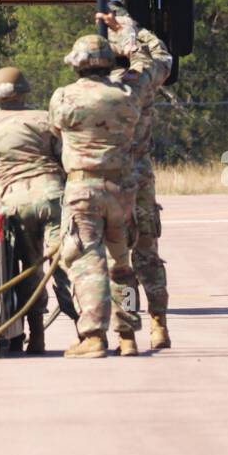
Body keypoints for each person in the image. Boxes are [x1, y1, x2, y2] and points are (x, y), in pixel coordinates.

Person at [49, 25, 171, 358]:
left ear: (77, 64)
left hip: (83, 188)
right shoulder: (128, 94)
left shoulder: (63, 97)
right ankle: (128, 335)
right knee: (122, 264)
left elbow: (55, 128)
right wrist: (131, 36)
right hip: (123, 189)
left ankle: (93, 336)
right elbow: (151, 65)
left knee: (88, 261)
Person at [0, 67, 65, 355]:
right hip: (55, 197)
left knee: (29, 270)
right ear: (25, 92)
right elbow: (66, 157)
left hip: (17, 205)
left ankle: (36, 337)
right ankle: (87, 331)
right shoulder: (45, 120)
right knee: (66, 263)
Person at [101, 9, 173, 353]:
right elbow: (163, 57)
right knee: (148, 253)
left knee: (118, 261)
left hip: (109, 182)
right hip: (140, 179)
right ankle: (159, 324)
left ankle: (126, 335)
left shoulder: (93, 91)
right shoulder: (141, 80)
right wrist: (134, 32)